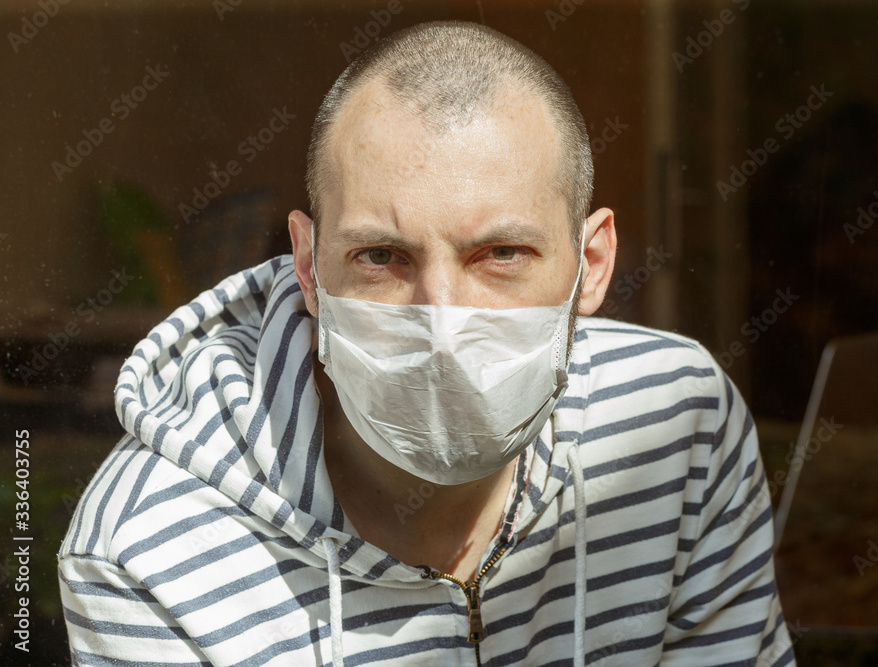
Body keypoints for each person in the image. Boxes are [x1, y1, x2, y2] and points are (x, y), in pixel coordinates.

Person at [59, 20, 795, 667]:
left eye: (501, 253)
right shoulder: (148, 548)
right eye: (382, 257)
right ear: (310, 268)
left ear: (591, 264)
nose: (442, 324)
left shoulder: (675, 426)